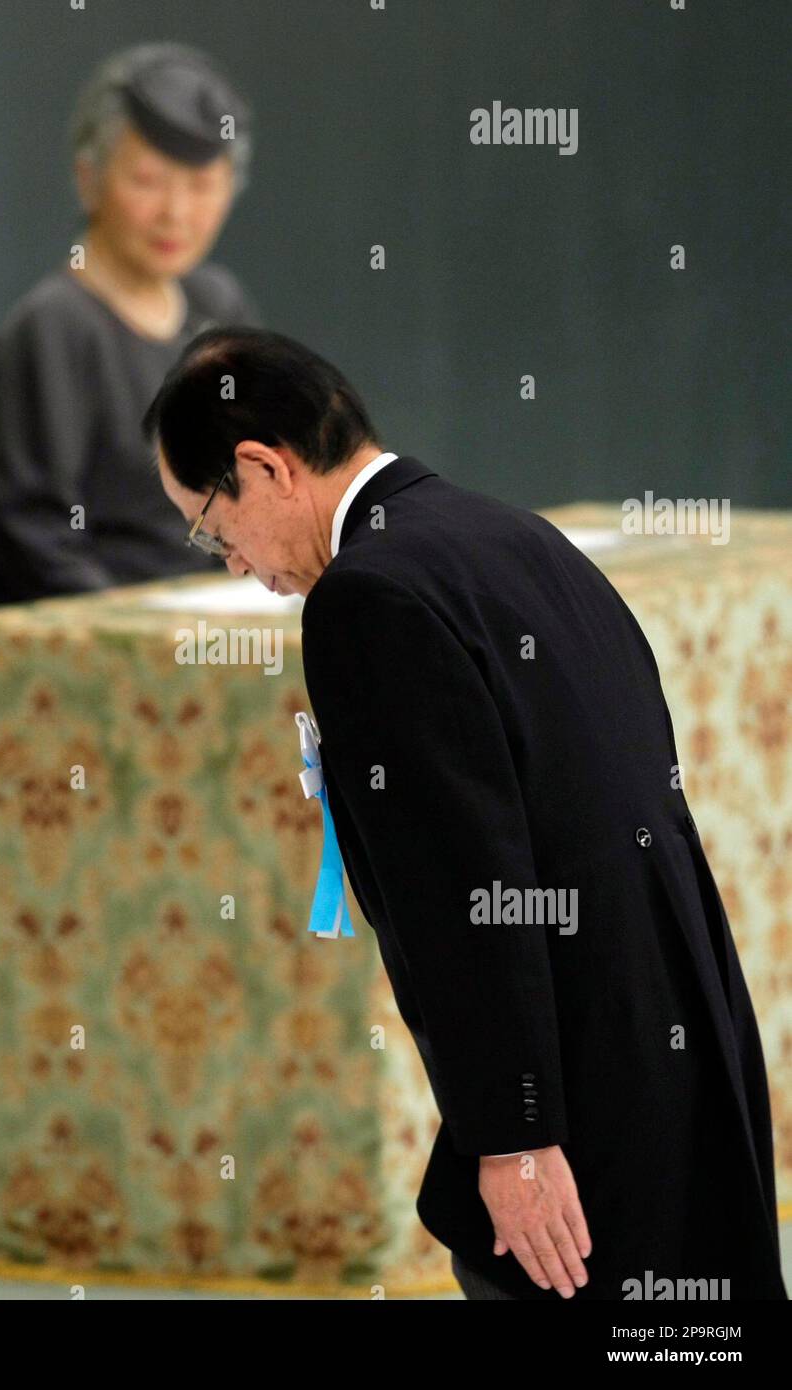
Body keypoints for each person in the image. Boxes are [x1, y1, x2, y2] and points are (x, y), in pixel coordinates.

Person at [149, 326, 787, 1301]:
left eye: (206, 523)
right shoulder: (513, 536)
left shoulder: (368, 598)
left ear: (262, 466)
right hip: (676, 1024)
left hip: (579, 1100)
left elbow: (467, 889)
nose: (228, 561)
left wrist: (517, 1136)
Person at [0, 42, 262, 600]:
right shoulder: (55, 326)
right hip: (116, 636)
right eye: (149, 181)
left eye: (202, 185)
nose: (175, 212)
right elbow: (35, 539)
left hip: (231, 607)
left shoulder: (218, 304)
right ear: (89, 179)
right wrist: (138, 637)